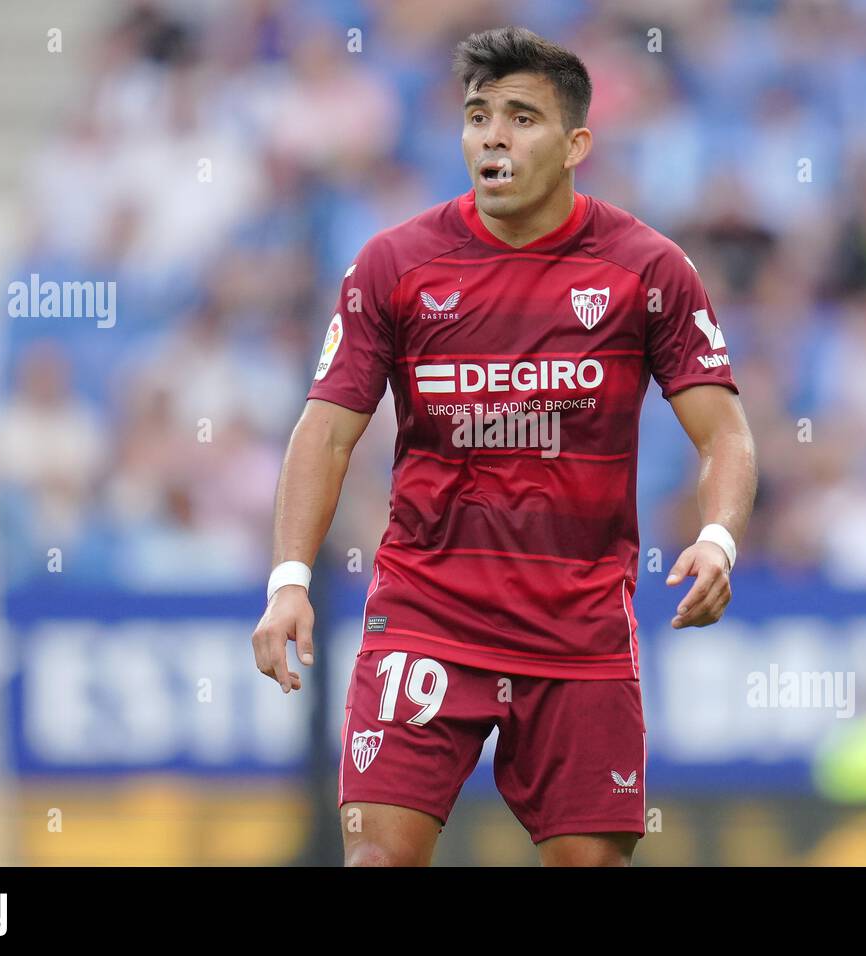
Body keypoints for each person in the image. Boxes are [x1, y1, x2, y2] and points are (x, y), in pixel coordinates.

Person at [251, 26, 757, 867]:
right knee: (377, 860)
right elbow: (326, 430)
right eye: (478, 115)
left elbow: (724, 432)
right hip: (426, 615)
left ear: (575, 146)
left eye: (522, 117)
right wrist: (289, 581)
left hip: (579, 629)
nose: (493, 135)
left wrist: (718, 538)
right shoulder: (395, 265)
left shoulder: (647, 269)